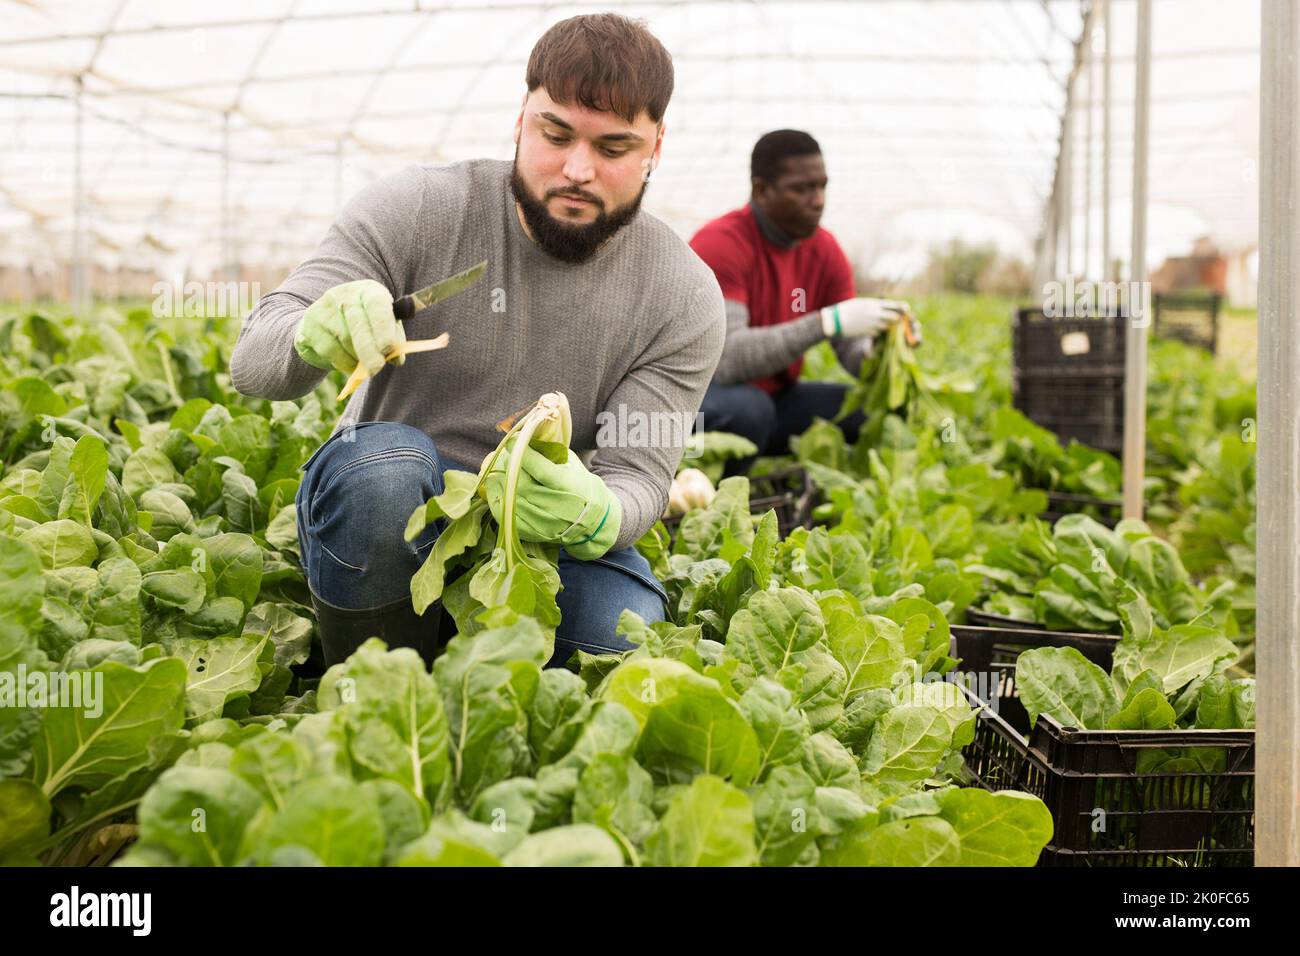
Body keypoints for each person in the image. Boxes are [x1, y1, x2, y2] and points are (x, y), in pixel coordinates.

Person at [229, 14, 725, 668]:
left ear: (654, 147)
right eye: (556, 134)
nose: (577, 169)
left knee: (619, 634)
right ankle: (374, 679)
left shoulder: (682, 294)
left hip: (541, 540)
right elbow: (254, 363)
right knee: (381, 474)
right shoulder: (415, 209)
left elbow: (638, 477)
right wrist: (311, 331)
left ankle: (450, 646)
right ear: (521, 117)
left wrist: (601, 513)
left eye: (612, 148)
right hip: (395, 509)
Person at [689, 129, 910, 473]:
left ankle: (852, 490)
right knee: (750, 410)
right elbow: (728, 360)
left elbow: (851, 354)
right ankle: (709, 493)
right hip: (698, 403)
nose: (818, 200)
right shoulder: (721, 243)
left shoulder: (825, 250)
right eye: (801, 189)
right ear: (762, 191)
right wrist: (825, 322)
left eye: (822, 186)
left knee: (875, 409)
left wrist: (885, 347)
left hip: (774, 402)